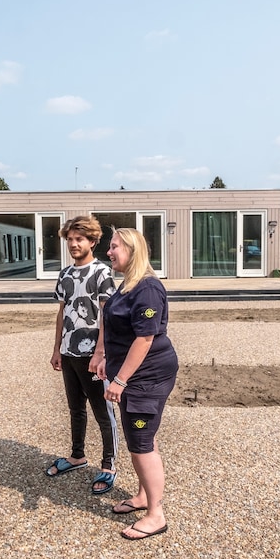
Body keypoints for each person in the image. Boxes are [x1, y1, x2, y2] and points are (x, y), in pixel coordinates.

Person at [94, 228, 179, 541]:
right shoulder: (127, 285)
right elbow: (119, 329)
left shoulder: (147, 288)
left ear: (132, 250)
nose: (109, 252)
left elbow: (144, 338)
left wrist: (119, 379)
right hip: (133, 373)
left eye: (114, 247)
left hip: (147, 376)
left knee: (140, 442)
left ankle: (156, 514)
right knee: (141, 437)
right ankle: (144, 495)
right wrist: (106, 358)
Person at [47, 216, 118, 495]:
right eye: (70, 239)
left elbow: (106, 315)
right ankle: (77, 456)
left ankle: (109, 465)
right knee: (75, 409)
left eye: (80, 239)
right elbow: (62, 313)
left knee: (103, 413)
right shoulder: (65, 274)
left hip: (93, 354)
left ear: (92, 241)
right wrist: (57, 348)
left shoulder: (102, 272)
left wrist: (100, 353)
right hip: (69, 352)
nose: (74, 244)